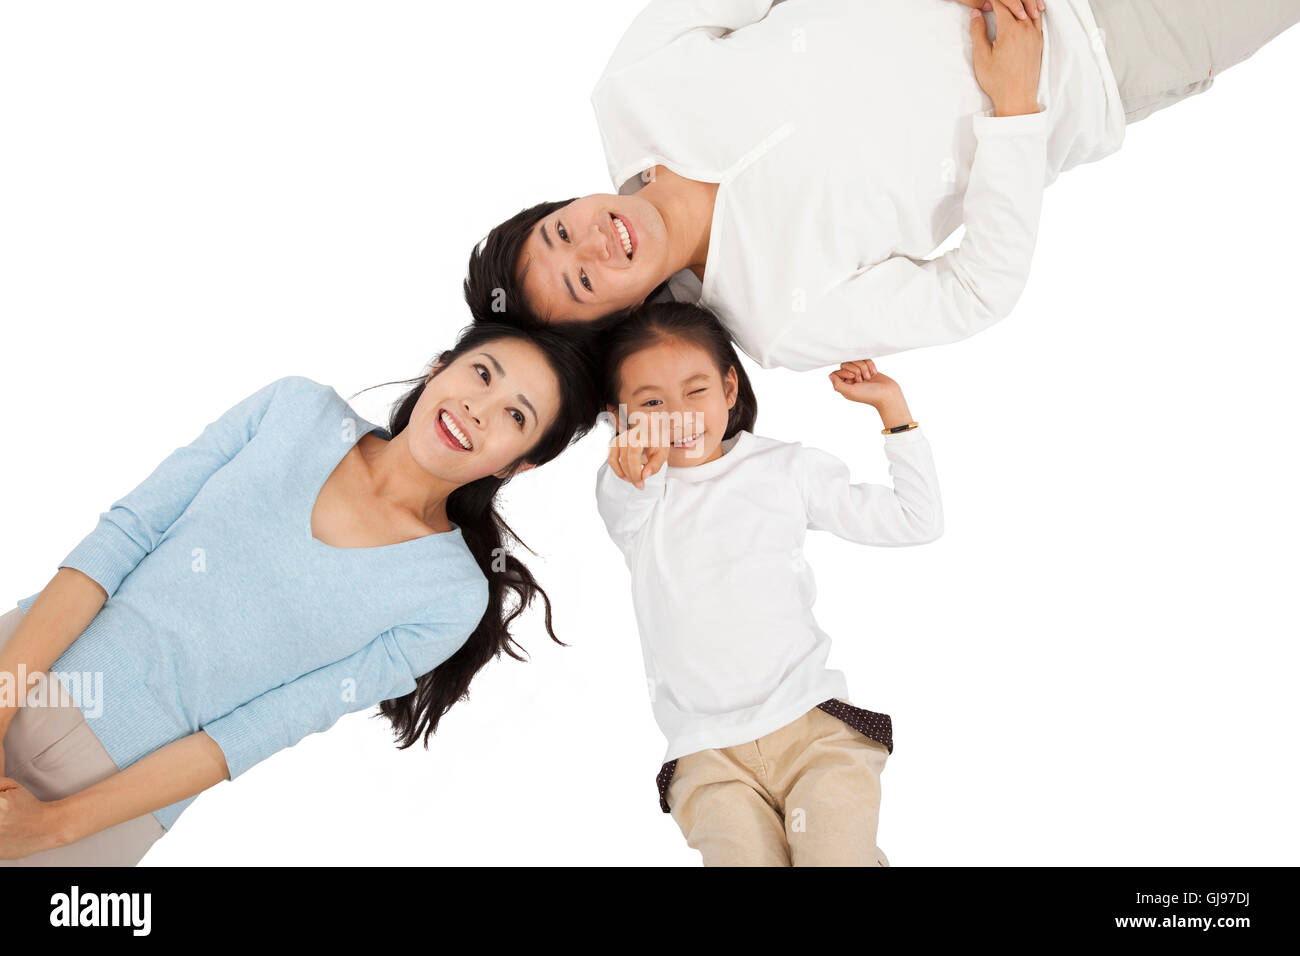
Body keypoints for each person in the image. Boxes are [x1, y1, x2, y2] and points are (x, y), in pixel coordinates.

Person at [0, 320, 601, 865]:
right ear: (438, 366)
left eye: (515, 417)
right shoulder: (295, 409)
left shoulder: (448, 599)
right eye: (481, 373)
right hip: (23, 665)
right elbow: (122, 539)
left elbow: (254, 731)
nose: (478, 408)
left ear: (517, 466)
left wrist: (52, 829)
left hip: (109, 811)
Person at [465, 0, 1300, 371]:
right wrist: (1016, 106)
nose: (595, 241)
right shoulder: (776, 319)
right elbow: (978, 292)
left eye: (559, 231)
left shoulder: (633, 89)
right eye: (584, 280)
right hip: (1107, 52)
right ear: (616, 316)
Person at [593, 300, 943, 865]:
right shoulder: (633, 495)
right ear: (620, 417)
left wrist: (892, 410)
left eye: (696, 390)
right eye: (652, 403)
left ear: (730, 388)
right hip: (710, 760)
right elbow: (621, 491)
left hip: (812, 732)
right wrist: (625, 467)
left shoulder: (786, 469)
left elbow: (916, 520)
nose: (678, 414)